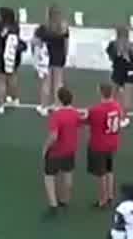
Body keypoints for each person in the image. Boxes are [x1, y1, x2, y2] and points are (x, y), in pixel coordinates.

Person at [87, 82, 127, 207]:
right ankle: (110, 195)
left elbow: (86, 120)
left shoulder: (96, 110)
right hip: (112, 143)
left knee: (101, 173)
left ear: (100, 93)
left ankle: (102, 199)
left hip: (99, 145)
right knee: (110, 169)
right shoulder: (117, 106)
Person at [43, 86, 82, 215]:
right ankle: (65, 199)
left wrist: (45, 147)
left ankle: (53, 204)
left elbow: (53, 136)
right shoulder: (76, 113)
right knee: (68, 175)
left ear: (59, 100)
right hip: (70, 150)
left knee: (49, 176)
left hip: (56, 151)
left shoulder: (57, 116)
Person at [33, 5, 72, 115]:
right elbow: (66, 44)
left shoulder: (43, 28)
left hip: (46, 57)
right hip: (59, 56)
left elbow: (36, 42)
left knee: (46, 82)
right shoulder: (63, 28)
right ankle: (58, 105)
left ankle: (44, 106)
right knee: (58, 83)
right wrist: (65, 55)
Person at [0, 6, 25, 113]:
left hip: (0, 56)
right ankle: (14, 99)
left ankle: (0, 105)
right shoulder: (15, 26)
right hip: (13, 55)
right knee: (12, 76)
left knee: (1, 81)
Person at [107, 24, 133, 113]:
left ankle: (112, 110)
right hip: (129, 72)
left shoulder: (113, 45)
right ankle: (124, 115)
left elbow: (111, 58)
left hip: (118, 71)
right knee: (127, 95)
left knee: (114, 93)